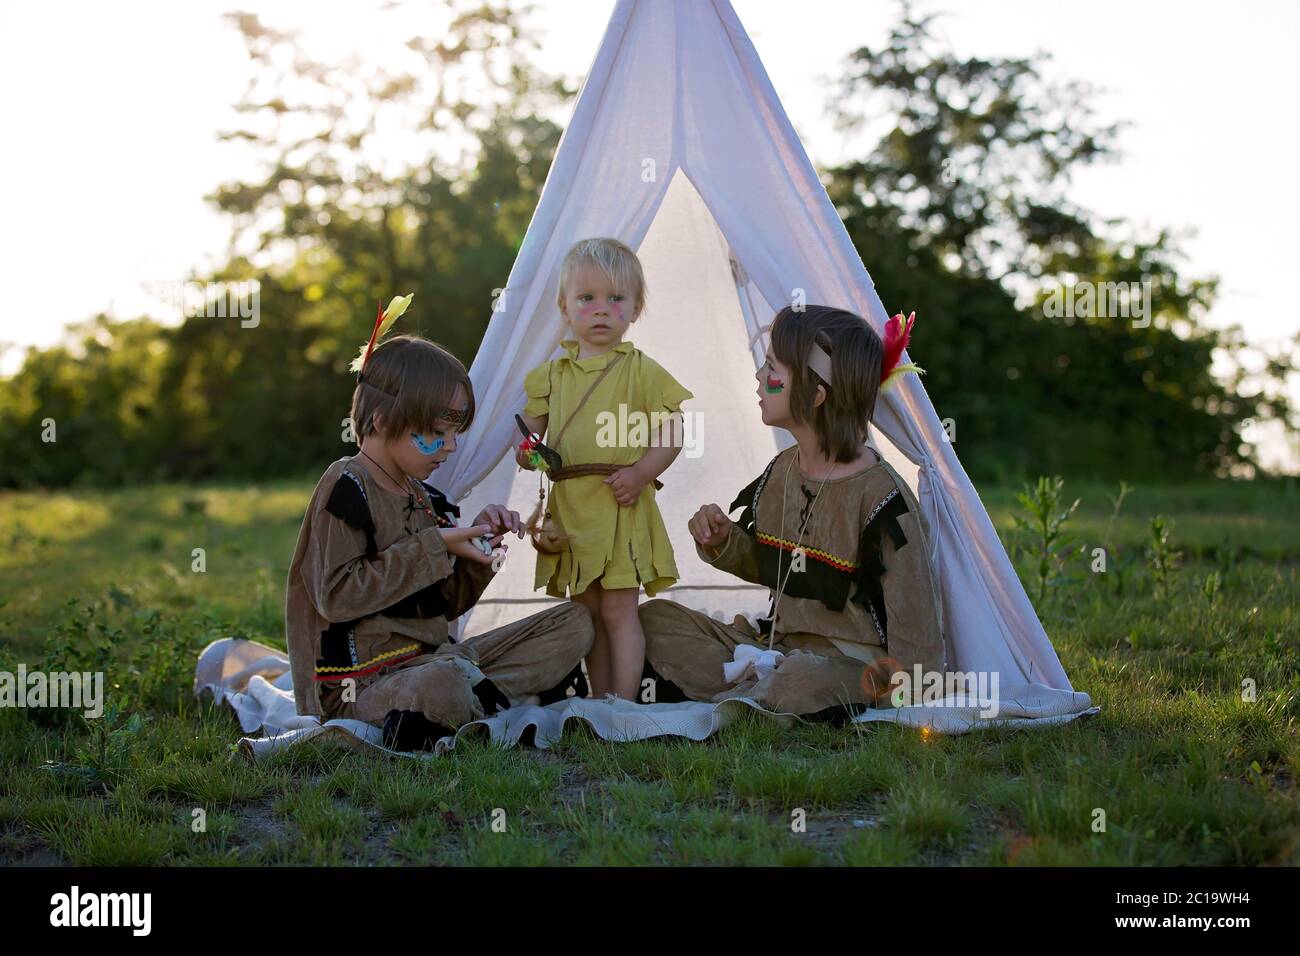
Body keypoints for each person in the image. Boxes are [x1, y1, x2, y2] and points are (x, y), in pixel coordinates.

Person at [285, 296, 594, 751]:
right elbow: (336, 597)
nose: (448, 448)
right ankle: (478, 704)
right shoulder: (347, 485)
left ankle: (472, 704)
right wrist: (438, 545)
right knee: (443, 685)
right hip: (366, 684)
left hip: (441, 657)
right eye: (436, 434)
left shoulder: (427, 499)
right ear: (382, 420)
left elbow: (444, 607)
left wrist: (475, 555)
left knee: (575, 622)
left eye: (454, 434)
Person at [639, 304, 946, 721]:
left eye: (771, 368)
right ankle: (752, 687)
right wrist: (724, 541)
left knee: (799, 680)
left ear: (816, 395)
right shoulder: (782, 471)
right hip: (774, 646)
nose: (759, 377)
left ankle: (750, 691)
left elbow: (915, 622)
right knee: (654, 619)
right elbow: (773, 564)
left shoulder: (883, 499)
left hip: (845, 662)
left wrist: (911, 700)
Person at [516, 238, 692, 700]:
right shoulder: (552, 375)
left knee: (619, 609)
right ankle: (599, 700)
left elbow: (673, 430)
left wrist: (640, 473)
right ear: (565, 307)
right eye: (586, 298)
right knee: (588, 611)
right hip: (573, 511)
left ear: (635, 309)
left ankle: (627, 702)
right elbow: (529, 434)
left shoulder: (642, 371)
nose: (600, 309)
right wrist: (528, 451)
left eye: (615, 299)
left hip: (620, 506)